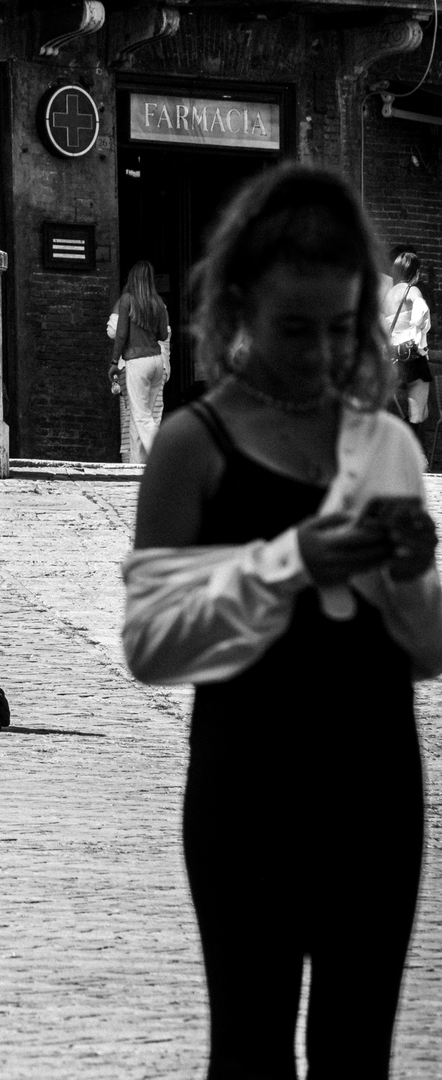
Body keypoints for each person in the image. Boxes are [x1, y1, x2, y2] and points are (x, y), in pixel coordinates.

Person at [122, 163, 442, 1078]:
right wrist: (290, 560)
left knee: (356, 1054)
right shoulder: (194, 443)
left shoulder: (385, 440)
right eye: (293, 329)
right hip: (248, 786)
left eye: (342, 330)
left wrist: (412, 576)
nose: (321, 354)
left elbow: (425, 650)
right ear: (237, 314)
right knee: (253, 1050)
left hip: (376, 785)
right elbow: (151, 644)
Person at [108, 260, 169, 463]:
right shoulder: (158, 304)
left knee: (142, 417)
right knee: (141, 417)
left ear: (132, 279)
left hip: (137, 363)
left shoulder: (127, 300)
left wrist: (114, 361)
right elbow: (162, 335)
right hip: (156, 362)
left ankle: (163, 459)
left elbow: (121, 334)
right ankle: (136, 466)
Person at [382, 250, 432, 446]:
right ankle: (409, 456)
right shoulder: (412, 290)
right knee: (417, 415)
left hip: (392, 358)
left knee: (406, 411)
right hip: (412, 357)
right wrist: (421, 327)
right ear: (415, 272)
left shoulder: (388, 295)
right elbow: (420, 315)